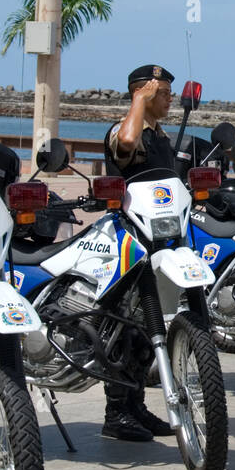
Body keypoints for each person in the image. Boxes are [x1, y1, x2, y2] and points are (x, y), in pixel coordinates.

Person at [98, 64, 180, 442]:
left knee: (148, 328)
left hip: (160, 236)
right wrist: (139, 102)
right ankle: (116, 411)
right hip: (129, 241)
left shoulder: (159, 134)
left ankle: (134, 406)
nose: (169, 99)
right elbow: (127, 144)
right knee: (125, 326)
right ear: (142, 93)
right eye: (162, 92)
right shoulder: (125, 128)